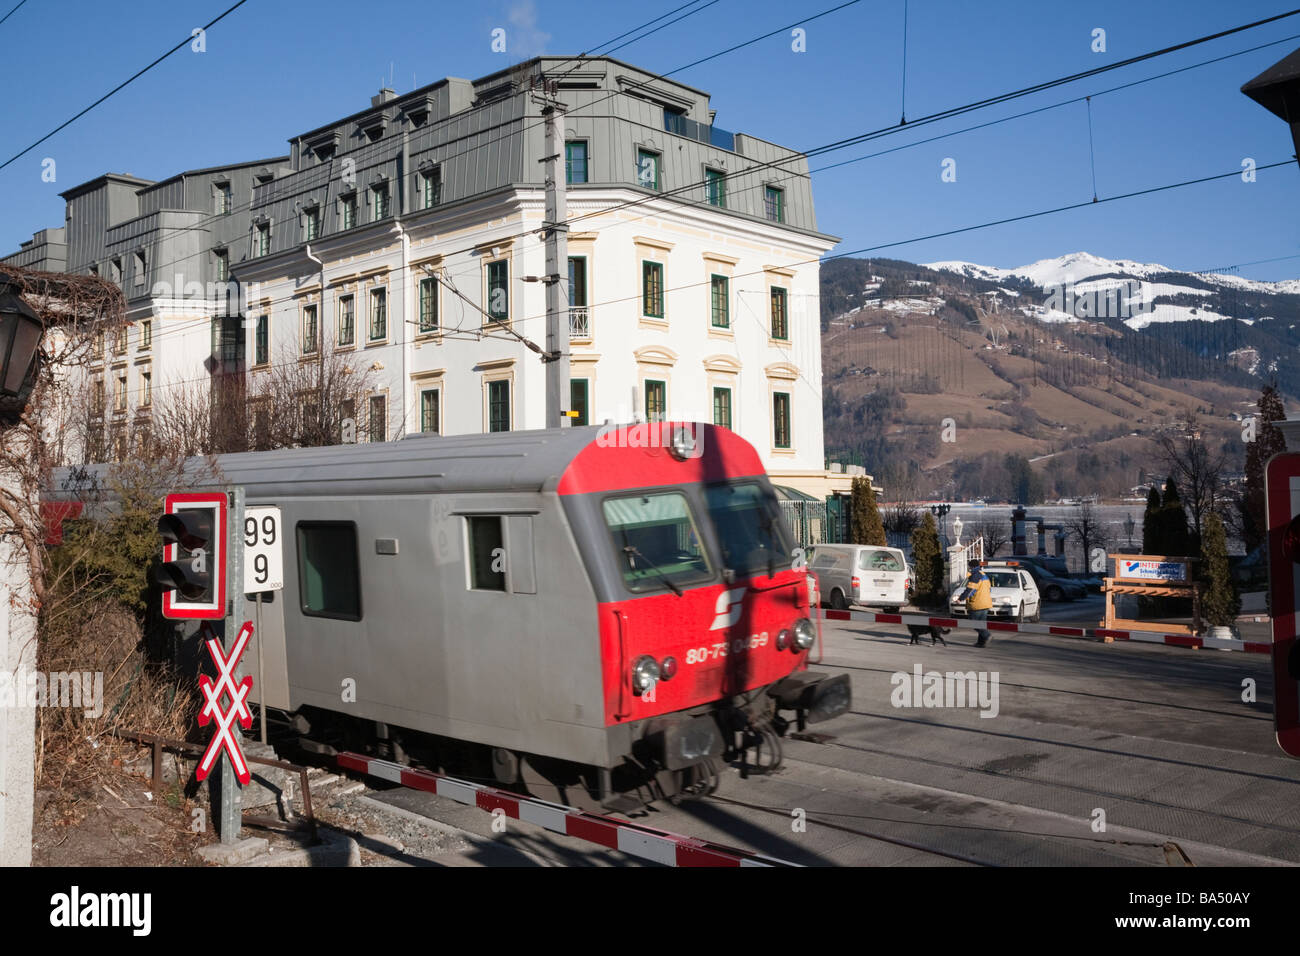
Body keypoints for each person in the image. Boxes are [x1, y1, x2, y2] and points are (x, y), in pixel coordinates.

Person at [961, 560, 992, 647]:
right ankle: (981, 643)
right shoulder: (983, 574)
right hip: (986, 603)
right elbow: (989, 589)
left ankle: (987, 635)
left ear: (971, 567)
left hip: (977, 603)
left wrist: (961, 598)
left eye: (969, 567)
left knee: (974, 623)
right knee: (981, 623)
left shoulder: (975, 576)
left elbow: (971, 590)